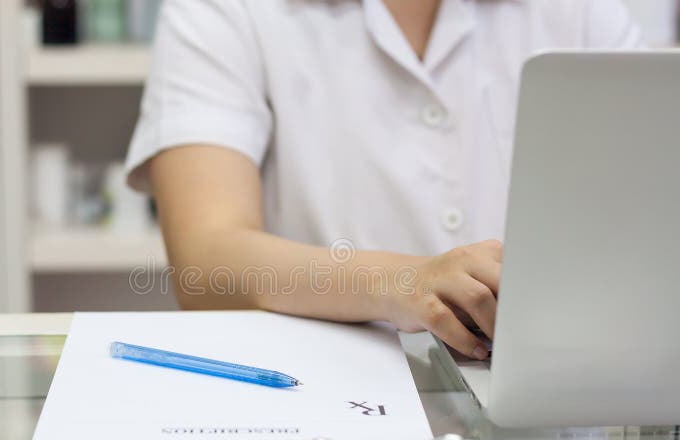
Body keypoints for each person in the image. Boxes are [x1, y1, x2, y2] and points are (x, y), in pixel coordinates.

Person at [125, 0, 642, 359]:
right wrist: (403, 282)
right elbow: (206, 261)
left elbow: (648, 207)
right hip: (330, 431)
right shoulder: (221, 11)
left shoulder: (584, 11)